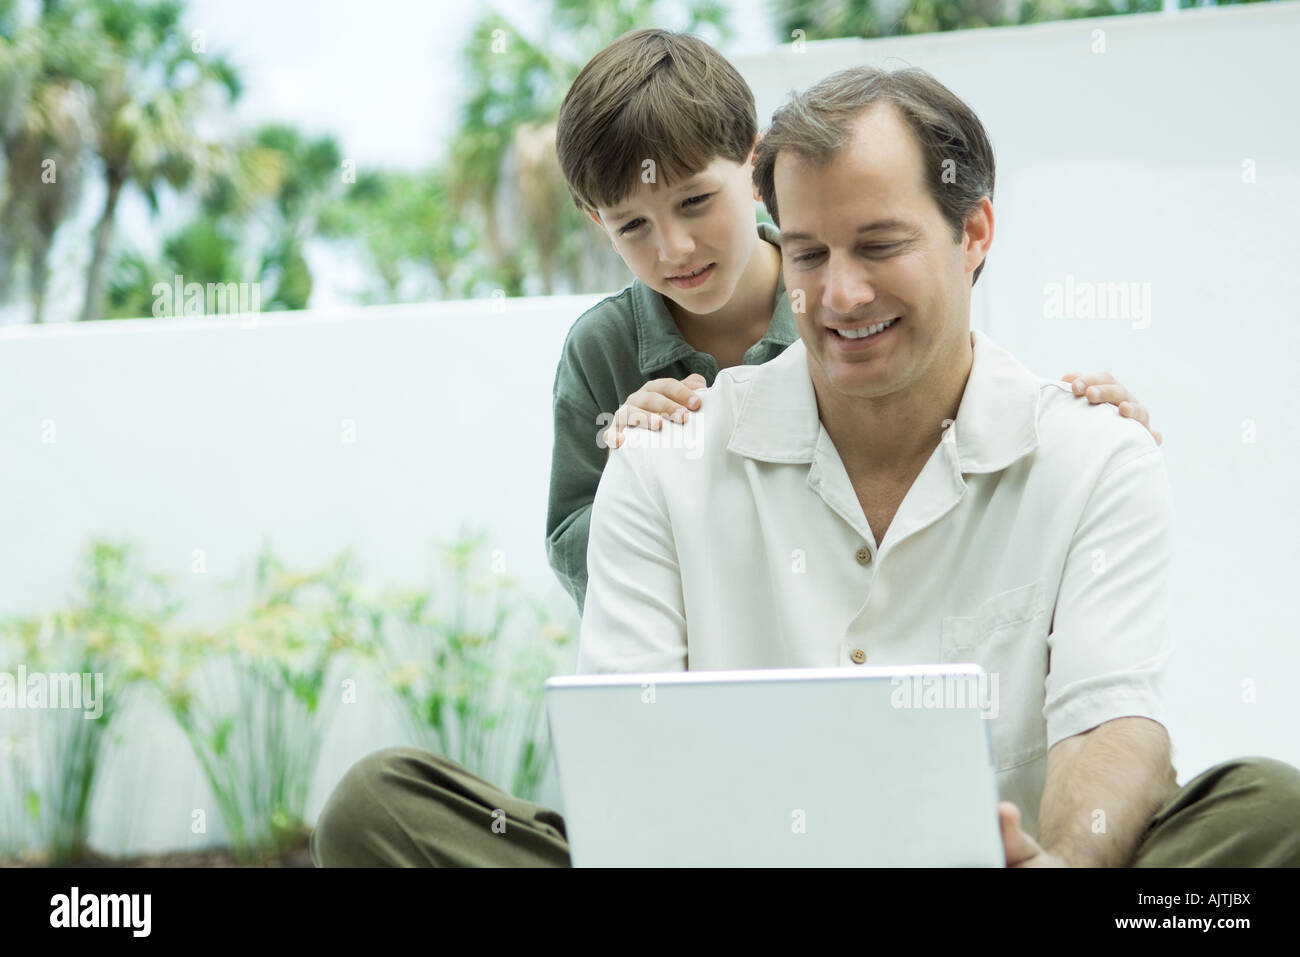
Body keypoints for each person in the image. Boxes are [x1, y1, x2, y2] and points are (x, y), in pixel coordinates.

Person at [308, 47, 1300, 870]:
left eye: (880, 245)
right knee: (379, 808)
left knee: (1267, 811)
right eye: (814, 255)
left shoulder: (1091, 455)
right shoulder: (654, 456)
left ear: (974, 235)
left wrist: (1071, 865)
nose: (839, 295)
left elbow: (1106, 721)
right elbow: (634, 759)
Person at [543, 28, 1159, 617]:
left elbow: (966, 405)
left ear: (756, 169)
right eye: (633, 226)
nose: (674, 247)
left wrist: (1083, 437)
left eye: (695, 201)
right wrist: (641, 477)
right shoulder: (602, 350)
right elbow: (576, 547)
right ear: (600, 224)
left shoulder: (848, 309)